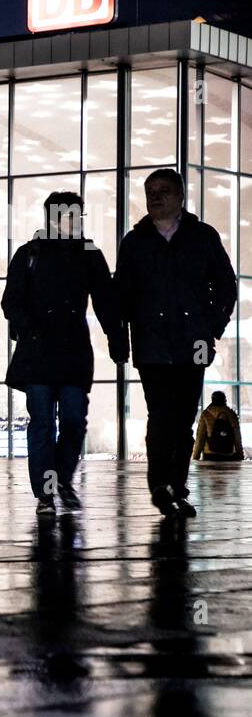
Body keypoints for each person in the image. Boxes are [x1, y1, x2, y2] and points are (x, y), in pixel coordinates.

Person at [115, 168, 236, 517]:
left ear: (180, 196)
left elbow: (225, 286)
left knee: (181, 420)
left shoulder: (202, 237)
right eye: (150, 191)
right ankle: (161, 486)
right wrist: (120, 336)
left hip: (191, 344)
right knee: (161, 416)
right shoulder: (135, 242)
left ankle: (175, 486)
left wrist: (211, 327)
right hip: (151, 343)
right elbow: (122, 293)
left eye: (163, 191)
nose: (155, 196)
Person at [2, 191, 126, 516]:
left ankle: (55, 483)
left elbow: (105, 301)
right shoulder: (35, 253)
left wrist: (116, 337)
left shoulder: (80, 254)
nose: (71, 220)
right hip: (52, 350)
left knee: (67, 421)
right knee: (49, 421)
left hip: (54, 351)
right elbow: (11, 301)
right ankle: (50, 489)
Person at [193, 391, 243, 461]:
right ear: (224, 400)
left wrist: (195, 456)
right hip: (229, 454)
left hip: (210, 455)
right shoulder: (232, 414)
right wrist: (240, 455)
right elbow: (237, 437)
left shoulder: (206, 414)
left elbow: (200, 437)